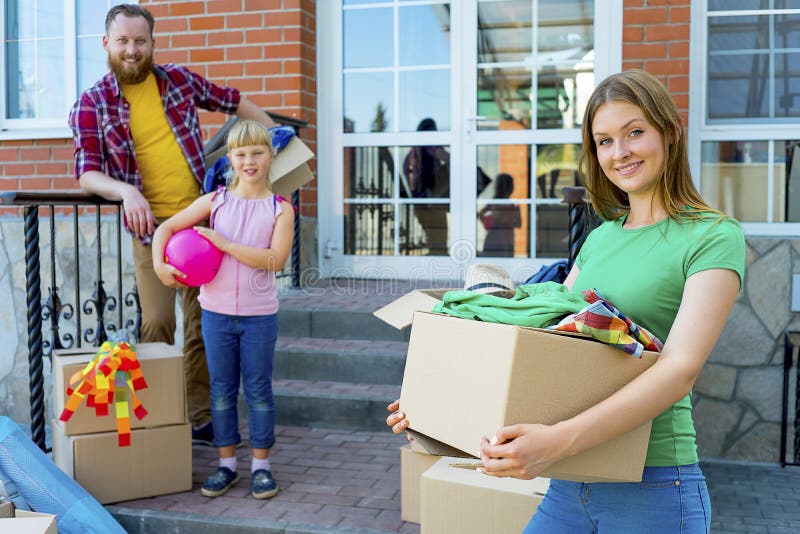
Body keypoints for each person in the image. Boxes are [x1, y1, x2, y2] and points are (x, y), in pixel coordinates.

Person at [387, 69, 746, 533]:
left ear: (669, 132)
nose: (620, 152)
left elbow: (679, 370)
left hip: (655, 485)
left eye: (635, 132)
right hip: (571, 481)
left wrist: (557, 441)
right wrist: (441, 401)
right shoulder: (600, 240)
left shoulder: (713, 236)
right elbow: (551, 342)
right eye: (604, 141)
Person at [68, 4, 278, 446]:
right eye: (122, 41)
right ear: (106, 43)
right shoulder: (92, 103)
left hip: (203, 226)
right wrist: (126, 192)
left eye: (140, 41)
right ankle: (157, 416)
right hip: (153, 234)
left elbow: (231, 100)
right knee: (158, 323)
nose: (132, 50)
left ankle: (201, 419)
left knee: (205, 326)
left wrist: (274, 141)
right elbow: (86, 172)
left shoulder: (178, 81)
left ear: (152, 44)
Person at [151, 120, 294, 499]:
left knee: (259, 391)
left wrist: (224, 244)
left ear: (270, 155)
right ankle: (226, 465)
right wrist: (159, 266)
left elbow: (274, 260)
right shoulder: (215, 201)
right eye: (241, 153)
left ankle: (261, 467)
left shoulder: (281, 209)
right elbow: (164, 229)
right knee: (221, 391)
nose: (249, 160)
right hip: (214, 315)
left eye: (257, 152)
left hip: (259, 317)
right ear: (230, 158)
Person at [402, 118, 450, 255]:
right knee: (439, 241)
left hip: (419, 203)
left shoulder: (411, 154)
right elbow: (449, 159)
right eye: (435, 130)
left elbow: (411, 180)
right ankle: (439, 270)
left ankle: (434, 267)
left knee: (432, 239)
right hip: (433, 202)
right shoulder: (431, 148)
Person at [478, 173, 522, 257]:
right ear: (510, 188)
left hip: (502, 239)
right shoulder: (510, 205)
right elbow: (518, 223)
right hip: (501, 239)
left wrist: (488, 222)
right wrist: (488, 222)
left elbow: (481, 214)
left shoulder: (497, 203)